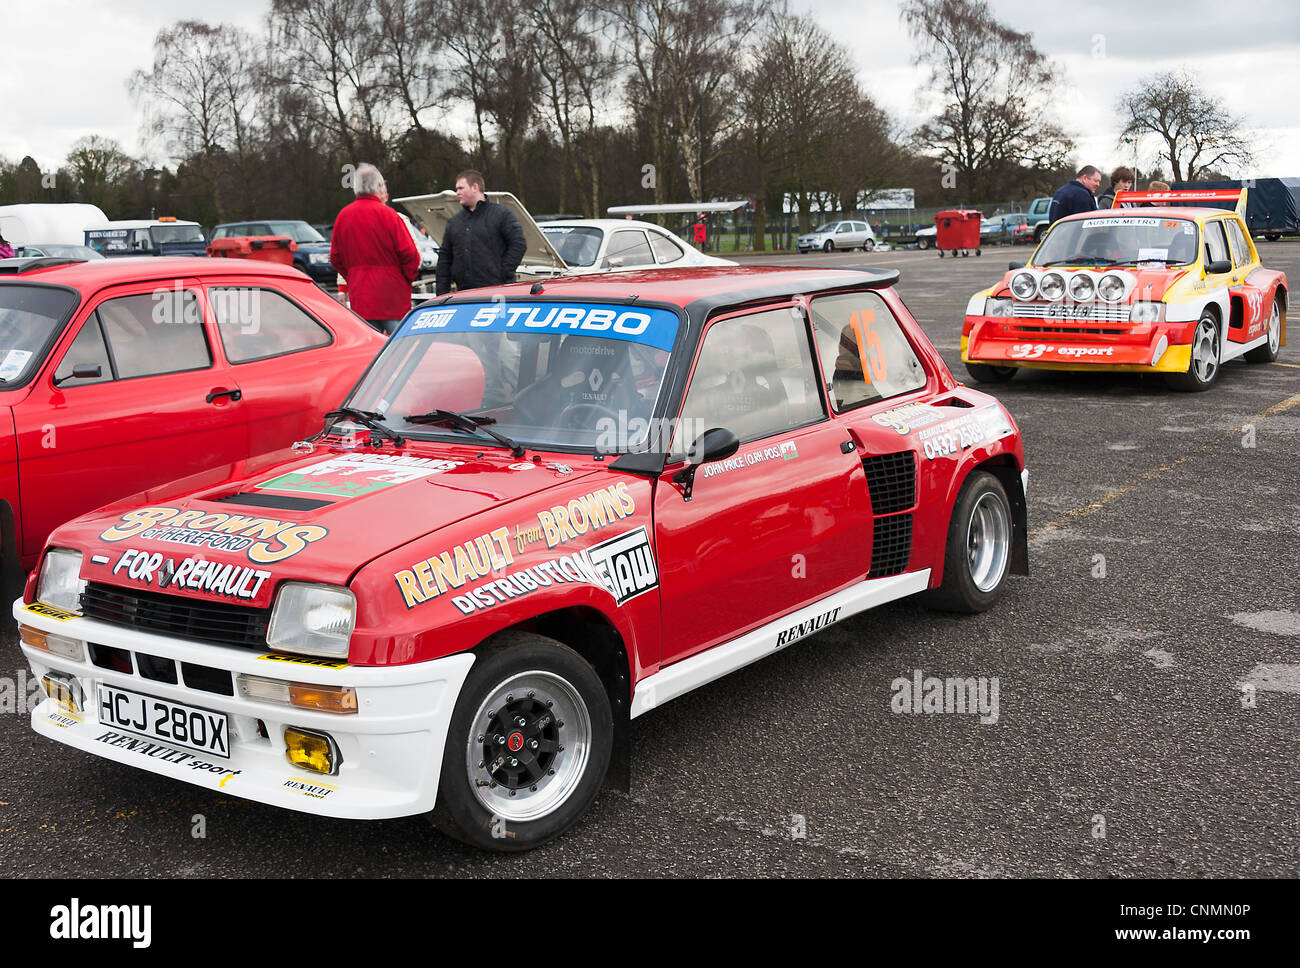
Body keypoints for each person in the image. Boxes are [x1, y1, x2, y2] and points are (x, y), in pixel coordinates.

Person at [329, 163, 421, 336]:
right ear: (379, 186)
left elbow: (335, 257)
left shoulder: (343, 216)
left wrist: (353, 277)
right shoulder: (390, 215)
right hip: (393, 296)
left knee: (371, 351)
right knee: (400, 348)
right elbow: (410, 254)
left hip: (361, 297)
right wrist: (404, 279)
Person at [434, 170, 526, 296]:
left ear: (475, 187)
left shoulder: (502, 215)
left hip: (497, 293)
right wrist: (441, 294)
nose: (457, 193)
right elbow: (445, 258)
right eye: (457, 189)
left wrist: (503, 272)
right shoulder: (454, 222)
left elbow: (518, 244)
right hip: (464, 293)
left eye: (461, 188)